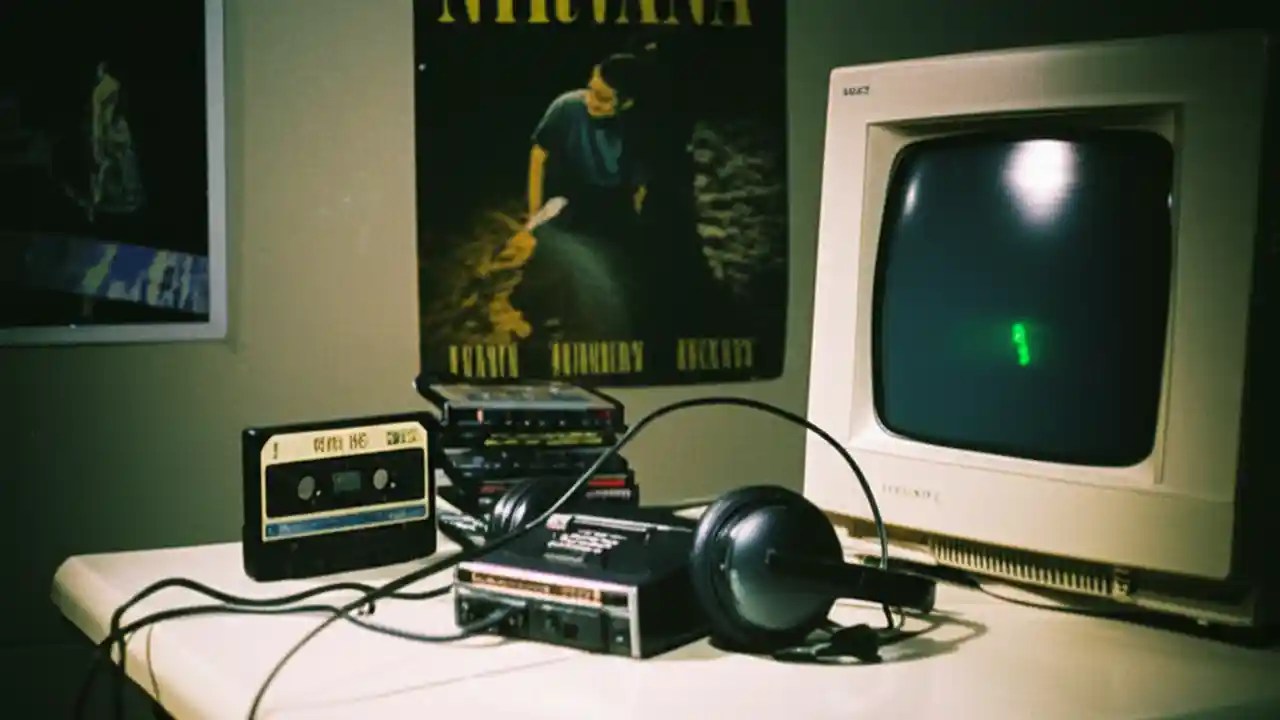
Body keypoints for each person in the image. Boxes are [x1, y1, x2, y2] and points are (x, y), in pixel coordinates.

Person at [514, 54, 649, 338]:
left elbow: (641, 177)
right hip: (570, 194)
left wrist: (637, 212)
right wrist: (535, 211)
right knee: (548, 265)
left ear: (626, 103)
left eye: (602, 98)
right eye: (590, 88)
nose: (590, 100)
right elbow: (539, 155)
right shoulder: (567, 106)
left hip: (613, 198)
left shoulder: (638, 125)